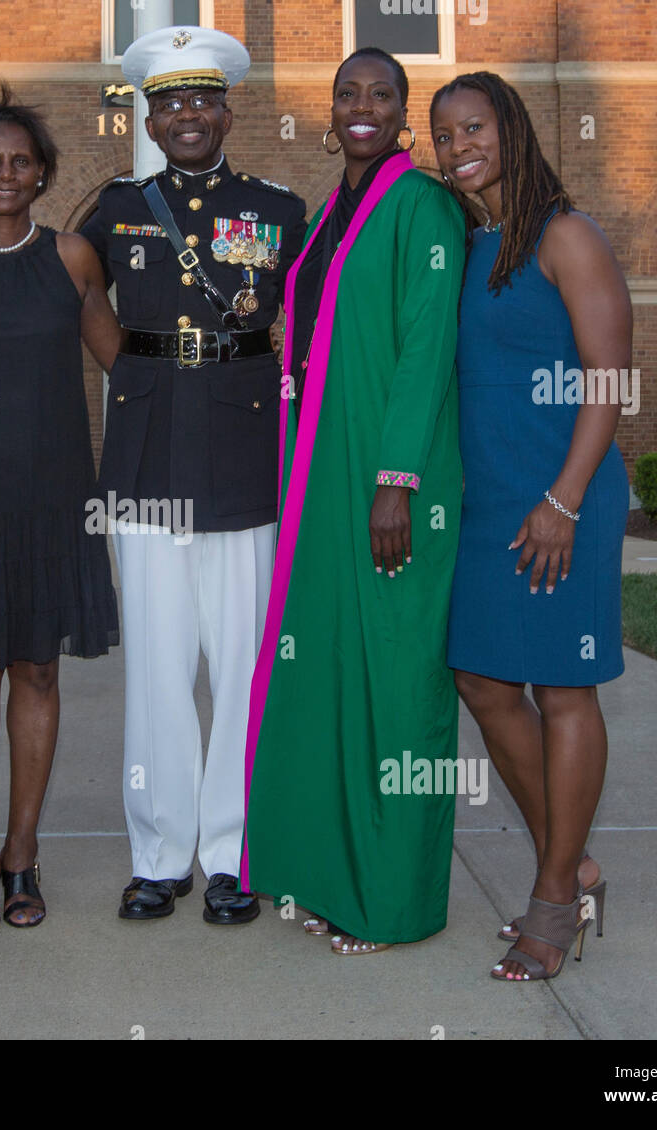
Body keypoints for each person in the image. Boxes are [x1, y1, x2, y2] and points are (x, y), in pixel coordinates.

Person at [81, 26, 307, 925]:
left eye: (202, 99)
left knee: (243, 661)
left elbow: (314, 316)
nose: (186, 115)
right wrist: (128, 372)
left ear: (226, 108)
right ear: (148, 113)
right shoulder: (115, 205)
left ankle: (230, 852)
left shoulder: (279, 209)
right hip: (146, 453)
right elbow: (75, 290)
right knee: (159, 664)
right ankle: (159, 853)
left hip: (243, 446)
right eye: (169, 101)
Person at [241, 47, 465, 955]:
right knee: (333, 671)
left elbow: (424, 351)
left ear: (403, 113)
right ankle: (333, 872)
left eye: (381, 94)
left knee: (398, 675)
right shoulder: (331, 209)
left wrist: (396, 482)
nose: (361, 106)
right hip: (319, 474)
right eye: (347, 93)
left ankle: (395, 901)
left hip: (388, 481)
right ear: (328, 111)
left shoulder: (423, 204)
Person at [431, 72, 627, 982]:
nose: (457, 144)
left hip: (563, 498)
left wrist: (565, 500)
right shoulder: (468, 246)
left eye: (474, 126)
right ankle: (573, 861)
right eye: (443, 133)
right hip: (490, 505)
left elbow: (608, 381)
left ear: (512, 130)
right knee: (481, 677)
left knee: (562, 690)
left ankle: (553, 902)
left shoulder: (567, 236)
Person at [0, 84, 121, 933]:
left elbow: (125, 365)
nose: (6, 173)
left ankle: (23, 851)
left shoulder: (73, 258)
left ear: (42, 174)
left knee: (39, 668)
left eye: (22, 162)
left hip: (52, 500)